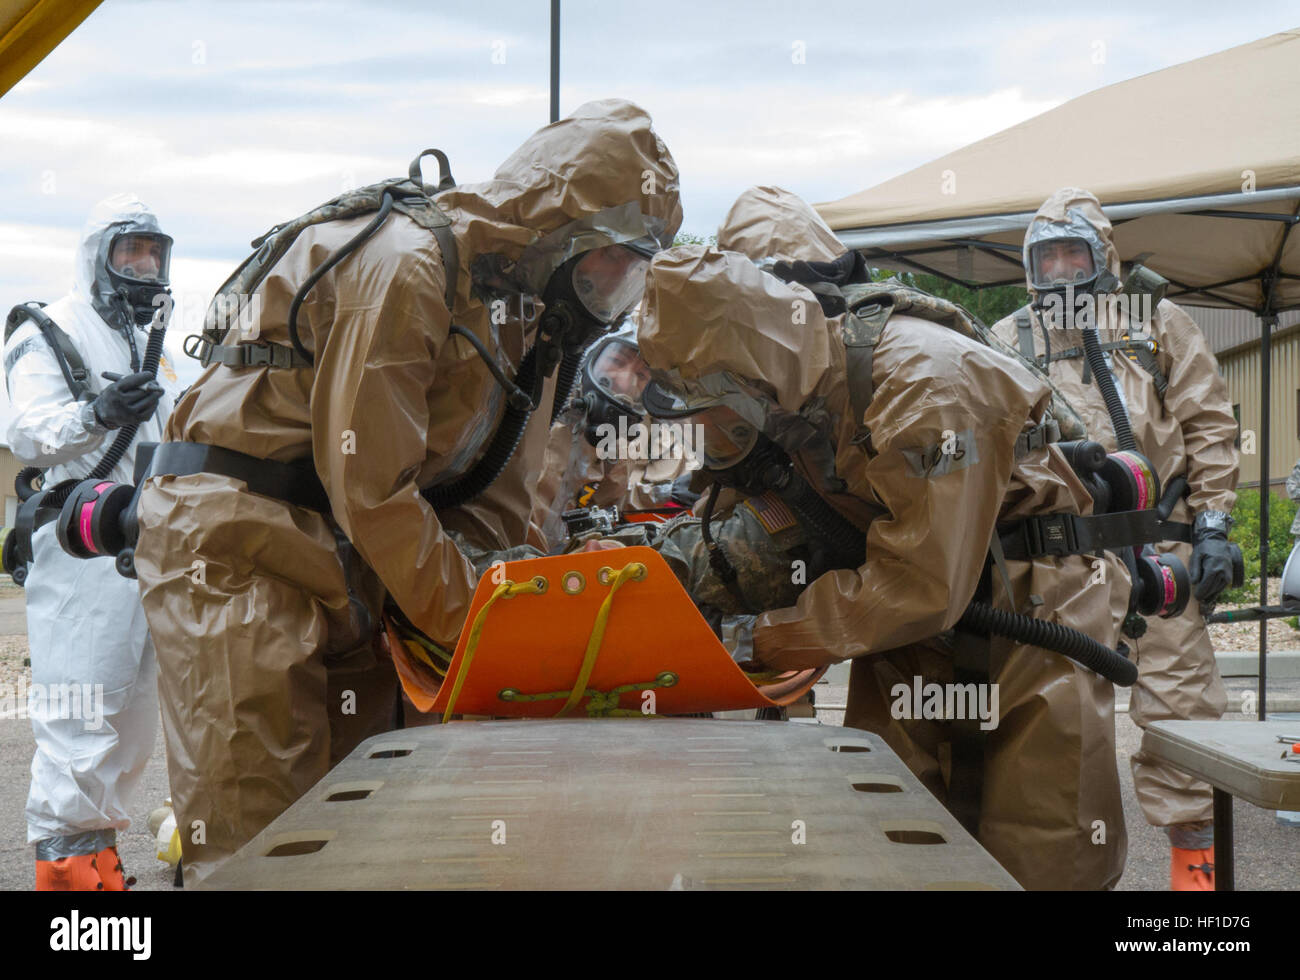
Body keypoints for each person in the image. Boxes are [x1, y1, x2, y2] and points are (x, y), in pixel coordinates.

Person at [131, 99, 681, 886]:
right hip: (239, 543)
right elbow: (375, 487)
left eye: (635, 272)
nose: (614, 291)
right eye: (614, 263)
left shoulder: (529, 316)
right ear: (561, 235)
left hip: (353, 556)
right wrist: (491, 635)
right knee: (263, 836)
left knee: (372, 821)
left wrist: (535, 623)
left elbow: (500, 507)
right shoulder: (407, 266)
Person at [632, 222, 1132, 889]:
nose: (710, 430)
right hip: (906, 625)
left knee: (1039, 854)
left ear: (746, 368)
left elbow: (920, 584)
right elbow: (756, 514)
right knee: (890, 847)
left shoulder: (928, 385)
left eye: (712, 406)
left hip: (1030, 614)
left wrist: (757, 640)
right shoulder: (798, 394)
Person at [990, 188, 1239, 890]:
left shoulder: (1158, 324)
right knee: (1061, 733)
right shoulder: (1008, 341)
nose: (1064, 268)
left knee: (1185, 722)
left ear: (1105, 258)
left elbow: (1210, 427)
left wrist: (1215, 527)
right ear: (1030, 267)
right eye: (1049, 256)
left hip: (1160, 556)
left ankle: (1196, 898)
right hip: (1062, 566)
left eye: (1077, 252)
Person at [4, 193, 180, 889]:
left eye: (154, 252)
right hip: (81, 550)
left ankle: (100, 868)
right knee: (80, 717)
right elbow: (29, 431)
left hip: (151, 539)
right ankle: (71, 893)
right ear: (97, 255)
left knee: (132, 726)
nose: (143, 265)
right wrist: (96, 413)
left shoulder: (157, 340)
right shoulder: (46, 326)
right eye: (129, 250)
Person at [531, 317, 698, 552]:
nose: (624, 381)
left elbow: (610, 506)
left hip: (547, 563)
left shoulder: (617, 442)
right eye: (617, 361)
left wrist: (666, 493)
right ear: (592, 356)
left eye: (641, 376)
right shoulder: (543, 406)